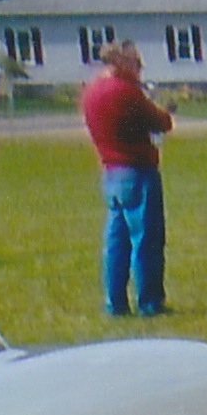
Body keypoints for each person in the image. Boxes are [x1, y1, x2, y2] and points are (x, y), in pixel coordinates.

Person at [81, 38, 176, 318]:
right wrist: (162, 108)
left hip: (111, 172)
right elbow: (161, 122)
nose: (140, 68)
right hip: (137, 171)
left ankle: (115, 302)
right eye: (136, 63)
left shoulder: (92, 91)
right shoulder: (125, 92)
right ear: (121, 62)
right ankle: (149, 301)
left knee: (116, 242)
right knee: (146, 240)